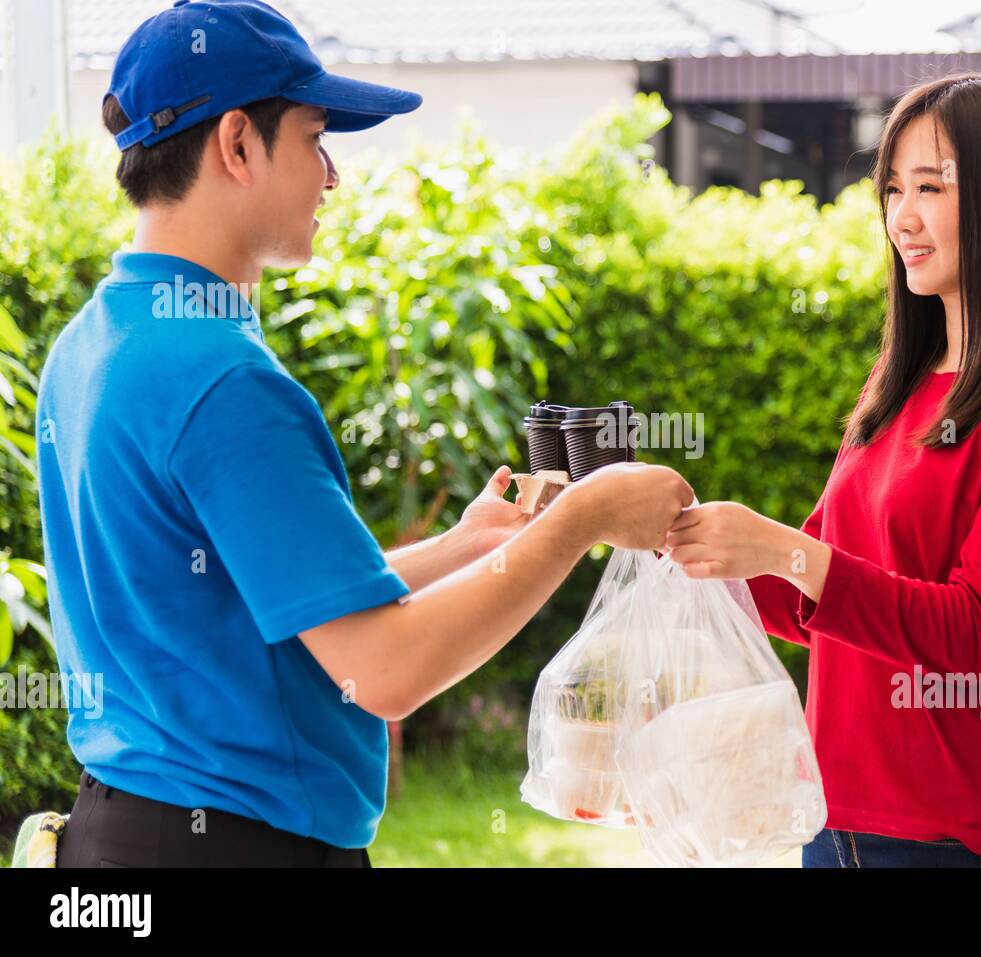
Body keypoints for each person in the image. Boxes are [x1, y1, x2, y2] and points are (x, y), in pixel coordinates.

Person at [37, 0, 691, 868]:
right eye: (314, 137)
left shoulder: (94, 341)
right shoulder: (224, 379)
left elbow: (263, 607)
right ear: (237, 144)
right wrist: (582, 520)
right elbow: (383, 671)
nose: (332, 175)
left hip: (122, 836)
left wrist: (469, 546)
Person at [666, 73, 981, 868]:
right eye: (893, 187)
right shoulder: (898, 381)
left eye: (932, 187)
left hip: (964, 841)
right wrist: (657, 531)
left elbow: (977, 631)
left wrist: (784, 550)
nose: (900, 217)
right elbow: (818, 601)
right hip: (834, 823)